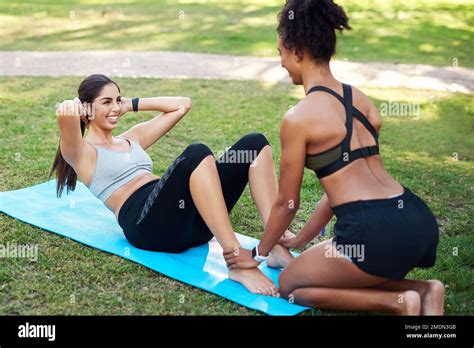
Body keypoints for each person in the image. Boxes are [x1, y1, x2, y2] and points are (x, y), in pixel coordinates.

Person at [224, 0, 444, 315]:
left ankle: (397, 301)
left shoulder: (298, 118)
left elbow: (286, 203)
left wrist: (257, 253)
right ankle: (426, 291)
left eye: (280, 53)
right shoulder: (363, 102)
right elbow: (338, 190)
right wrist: (300, 238)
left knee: (290, 286)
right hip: (416, 220)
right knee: (349, 270)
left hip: (372, 232)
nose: (282, 62)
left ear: (297, 50)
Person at [50, 74, 281, 296]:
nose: (115, 108)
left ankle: (275, 243)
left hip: (191, 227)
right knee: (196, 153)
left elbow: (182, 105)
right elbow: (65, 115)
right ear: (86, 109)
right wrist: (76, 106)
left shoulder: (133, 137)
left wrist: (129, 104)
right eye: (106, 102)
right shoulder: (81, 153)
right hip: (148, 226)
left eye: (117, 100)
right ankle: (237, 260)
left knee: (254, 143)